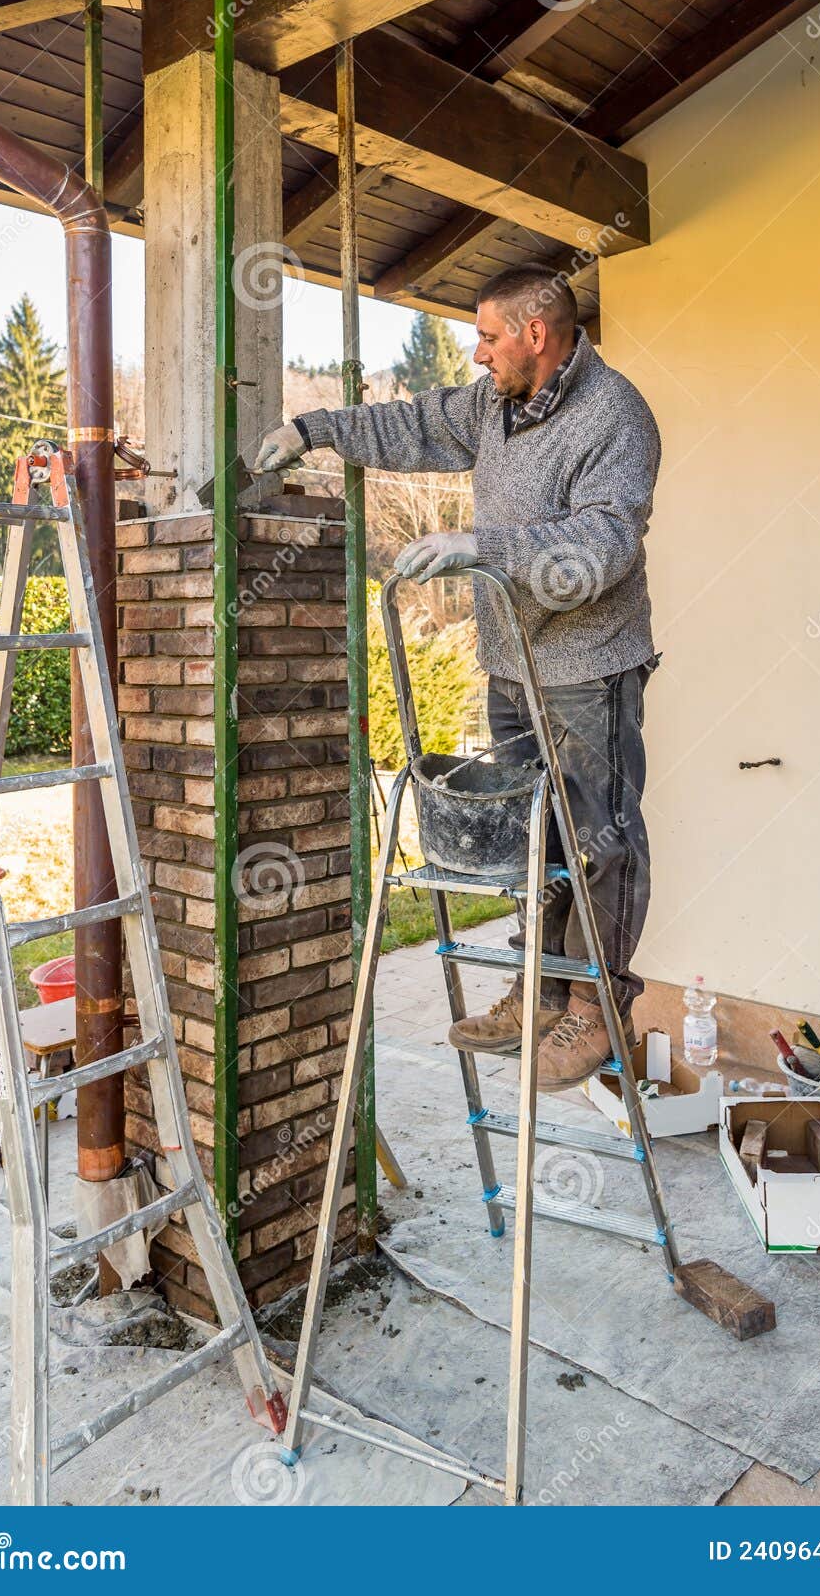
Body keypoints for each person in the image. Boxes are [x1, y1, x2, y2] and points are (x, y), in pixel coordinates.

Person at [255, 263, 660, 1093]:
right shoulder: (495, 406)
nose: (475, 354)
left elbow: (607, 546)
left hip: (587, 668)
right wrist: (314, 428)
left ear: (534, 334)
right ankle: (538, 992)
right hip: (511, 662)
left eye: (485, 335)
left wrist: (486, 547)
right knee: (530, 840)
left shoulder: (614, 415)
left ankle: (593, 1005)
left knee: (598, 841)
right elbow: (412, 424)